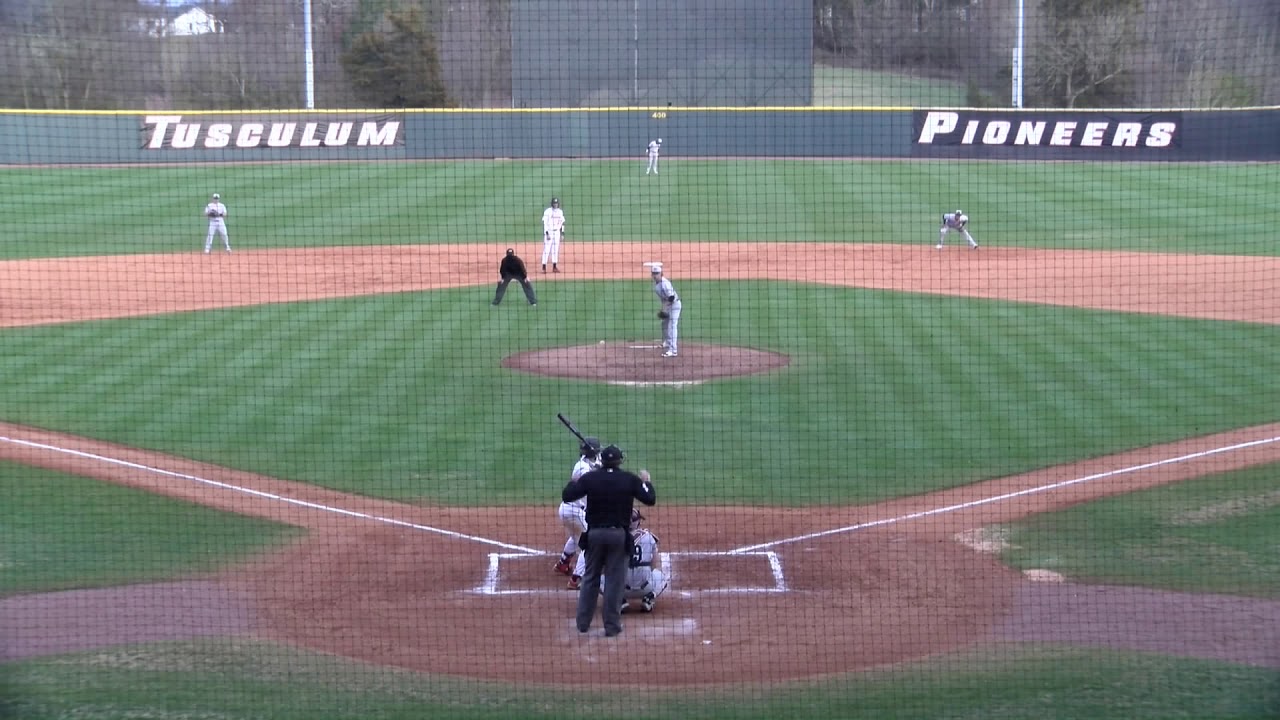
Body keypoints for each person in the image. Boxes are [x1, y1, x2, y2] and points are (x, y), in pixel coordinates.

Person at [561, 444, 656, 637]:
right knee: (614, 581)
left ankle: (583, 624)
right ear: (620, 461)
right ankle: (612, 626)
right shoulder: (629, 479)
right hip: (618, 536)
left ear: (601, 461)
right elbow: (650, 499)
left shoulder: (590, 478)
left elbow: (568, 495)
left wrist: (574, 481)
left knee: (590, 578)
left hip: (594, 535)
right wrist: (646, 481)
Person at [554, 436, 601, 587]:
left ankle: (563, 563)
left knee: (577, 537)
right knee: (590, 543)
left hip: (570, 510)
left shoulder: (590, 462)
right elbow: (591, 479)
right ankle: (576, 579)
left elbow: (598, 464)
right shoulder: (581, 468)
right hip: (574, 512)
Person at [602, 508, 670, 614]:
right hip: (646, 587)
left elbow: (606, 564)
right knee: (661, 577)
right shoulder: (649, 536)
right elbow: (654, 563)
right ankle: (649, 598)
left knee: (597, 577)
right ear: (637, 522)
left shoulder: (614, 536)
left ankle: (619, 600)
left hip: (621, 588)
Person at [648, 262, 681, 357]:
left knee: (672, 326)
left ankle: (673, 350)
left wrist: (664, 308)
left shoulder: (665, 283)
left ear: (660, 273)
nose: (655, 276)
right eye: (653, 274)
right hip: (668, 305)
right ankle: (667, 342)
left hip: (675, 305)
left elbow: (671, 297)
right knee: (664, 324)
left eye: (656, 274)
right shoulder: (657, 284)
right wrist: (664, 309)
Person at [540, 197, 565, 273]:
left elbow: (562, 223)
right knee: (546, 249)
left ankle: (554, 267)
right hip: (549, 232)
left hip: (557, 232)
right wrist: (547, 233)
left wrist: (562, 233)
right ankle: (544, 267)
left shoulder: (560, 212)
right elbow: (545, 223)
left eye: (556, 203)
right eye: (554, 203)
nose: (555, 205)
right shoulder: (547, 211)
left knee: (555, 249)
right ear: (552, 204)